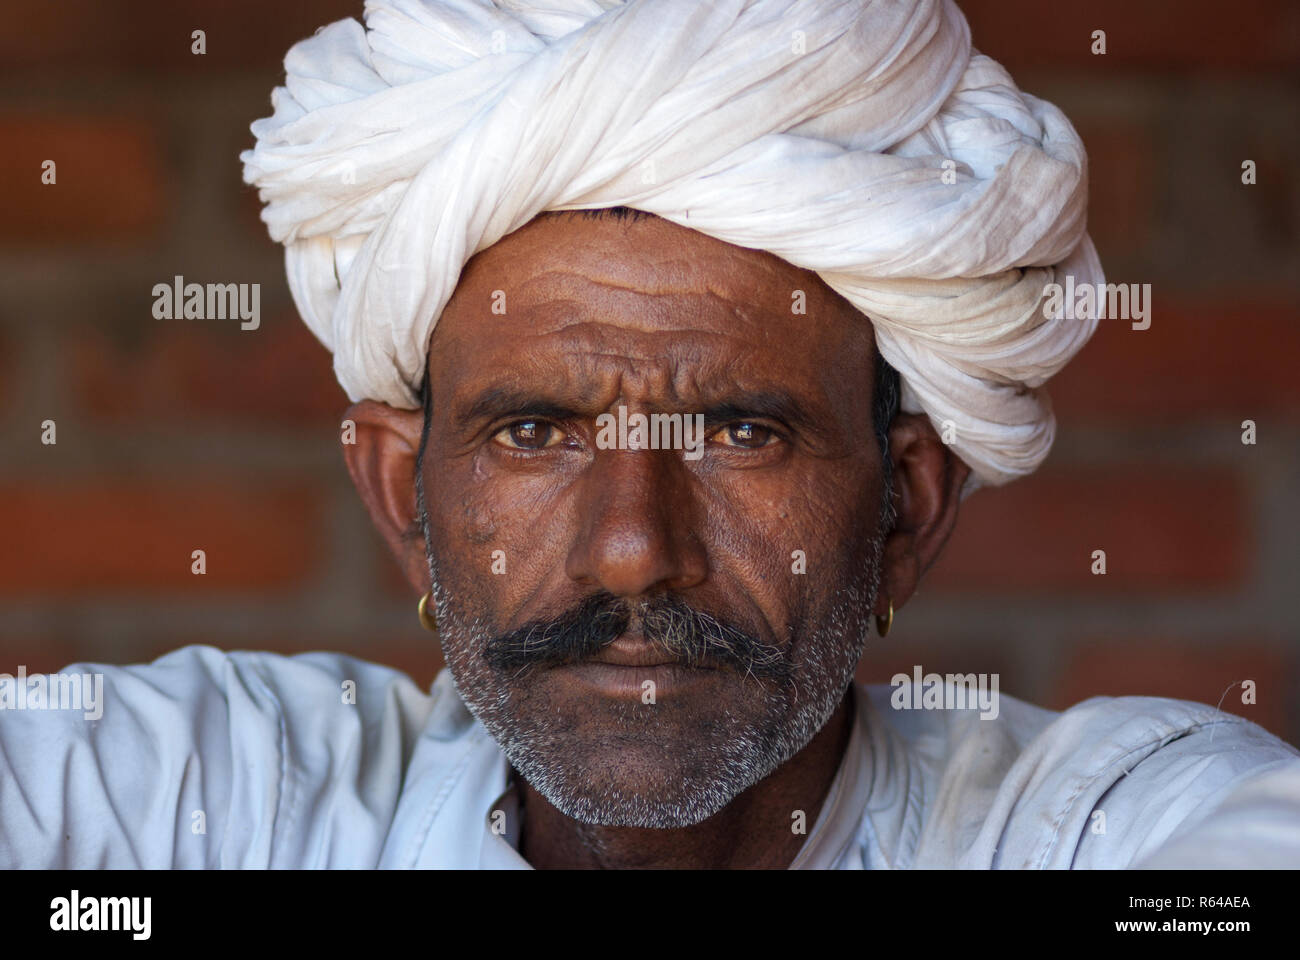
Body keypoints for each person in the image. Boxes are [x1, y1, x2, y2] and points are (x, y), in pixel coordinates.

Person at [3, 0, 1297, 869]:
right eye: (535, 432)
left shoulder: (1105, 830)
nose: (631, 551)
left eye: (741, 432)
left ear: (905, 507)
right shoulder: (220, 808)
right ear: (405, 496)